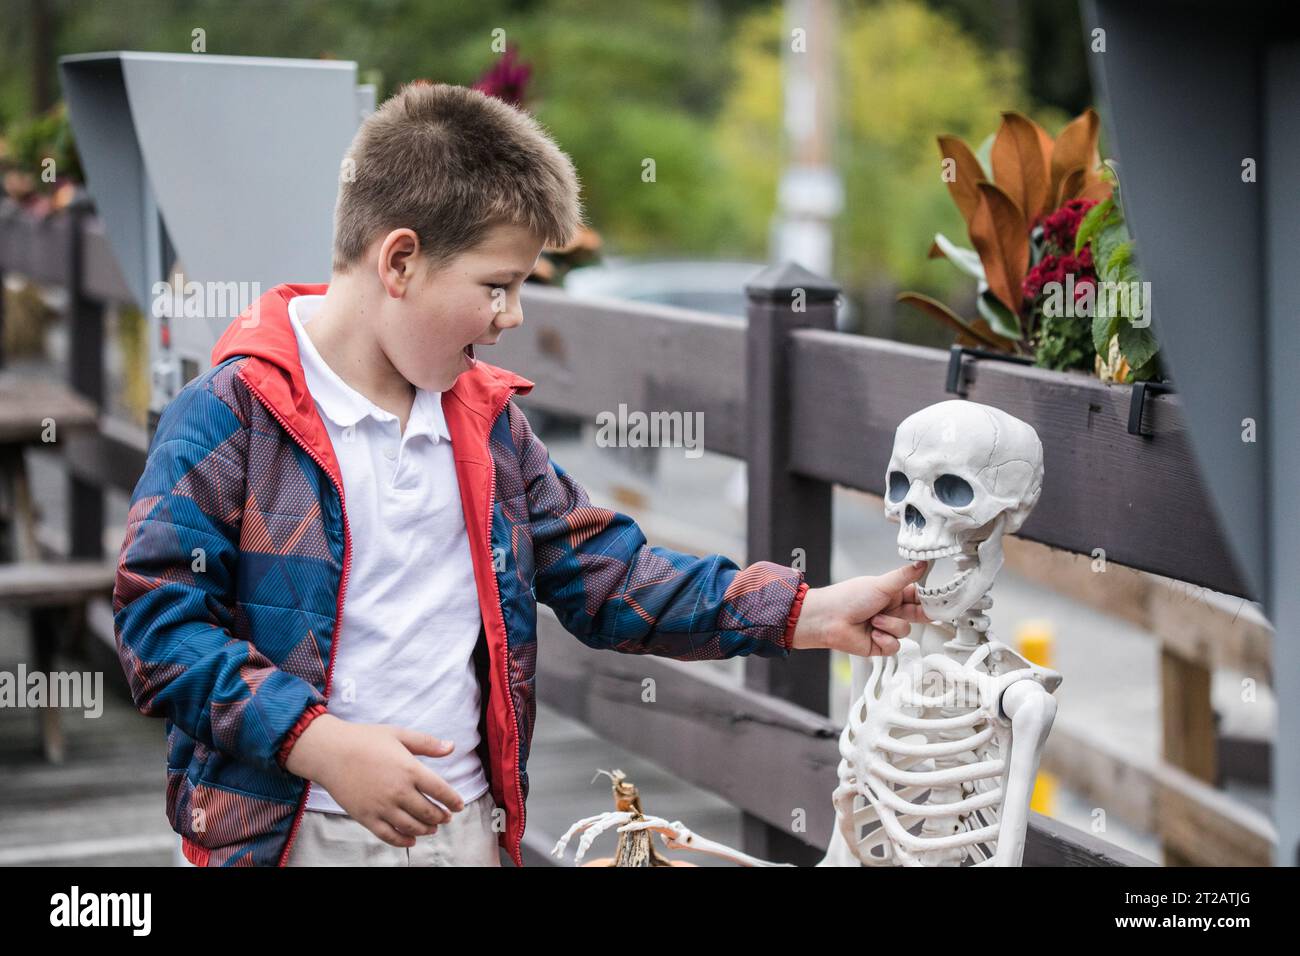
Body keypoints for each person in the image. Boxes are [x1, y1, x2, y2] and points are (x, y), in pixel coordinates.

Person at [114, 81, 930, 868]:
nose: (514, 316)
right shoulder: (231, 412)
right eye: (497, 286)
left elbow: (610, 575)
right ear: (399, 261)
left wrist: (805, 613)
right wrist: (317, 745)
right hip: (293, 838)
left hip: (468, 827)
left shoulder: (487, 425)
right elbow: (159, 629)